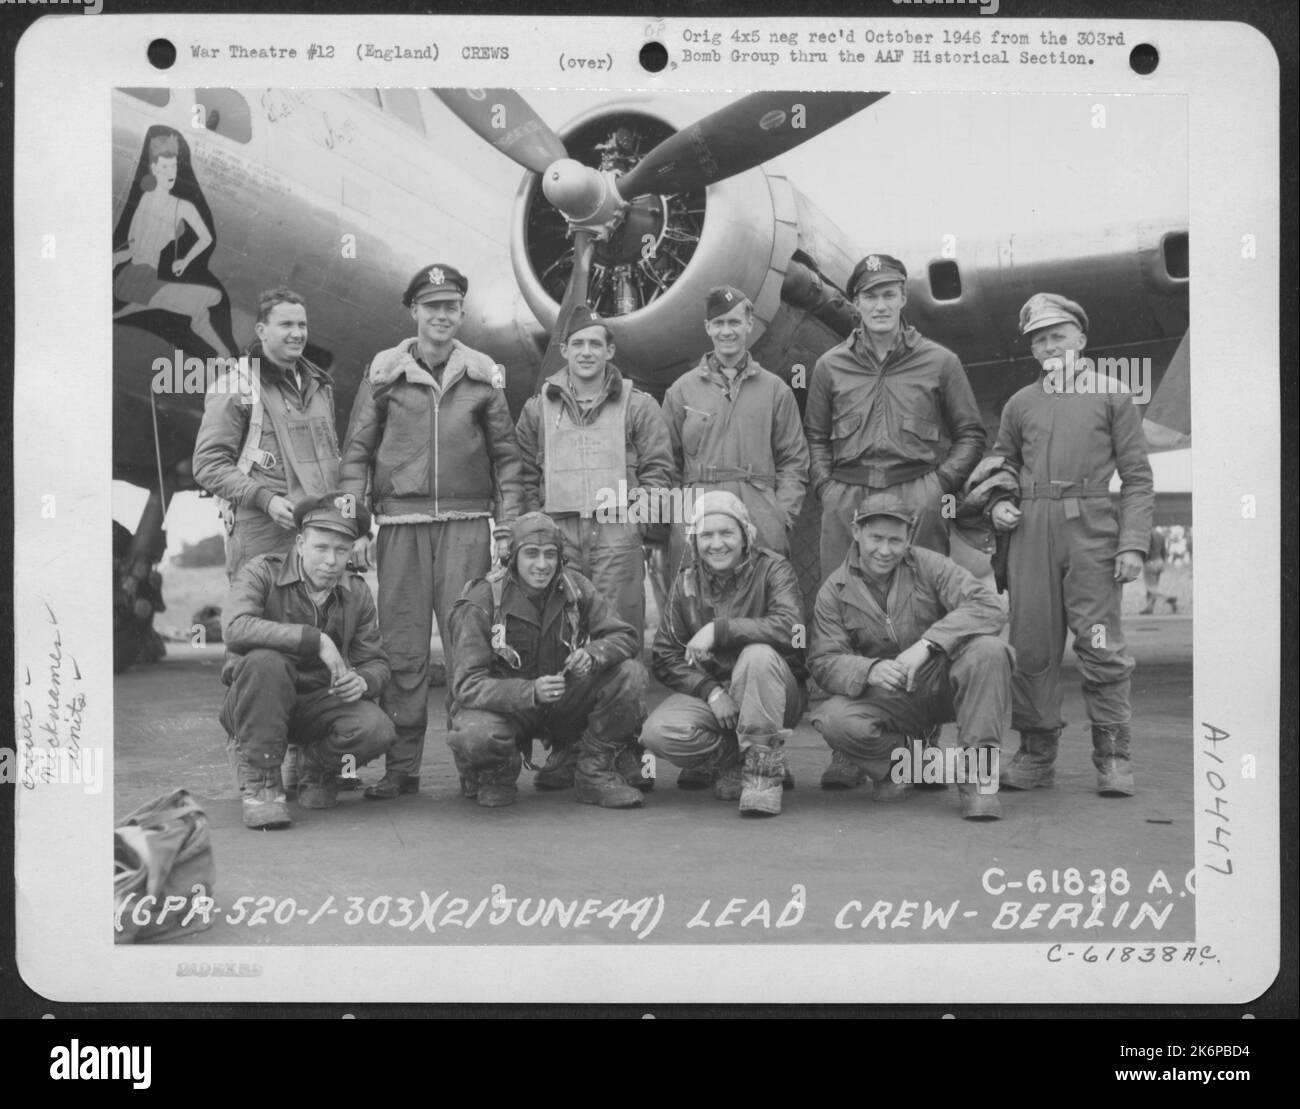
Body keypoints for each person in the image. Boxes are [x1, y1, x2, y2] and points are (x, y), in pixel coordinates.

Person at [339, 263, 525, 800]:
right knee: (402, 647)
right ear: (413, 312)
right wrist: (354, 523)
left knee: (470, 645)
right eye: (431, 306)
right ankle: (401, 769)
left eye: (451, 307)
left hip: (469, 525)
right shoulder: (383, 375)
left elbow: (508, 461)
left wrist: (508, 527)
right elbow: (357, 455)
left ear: (461, 313)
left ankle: (477, 764)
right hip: (400, 526)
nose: (442, 316)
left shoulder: (484, 376)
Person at [804, 252, 987, 789]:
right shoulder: (830, 365)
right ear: (854, 303)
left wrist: (937, 488)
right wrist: (828, 488)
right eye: (869, 296)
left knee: (921, 606)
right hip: (848, 493)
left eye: (889, 294)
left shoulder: (940, 361)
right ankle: (848, 747)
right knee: (843, 604)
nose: (880, 305)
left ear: (903, 299)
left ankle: (921, 737)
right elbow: (815, 436)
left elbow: (970, 433)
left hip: (915, 491)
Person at [988, 293, 1154, 797]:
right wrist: (998, 502)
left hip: (1091, 528)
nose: (1049, 345)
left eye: (1057, 335)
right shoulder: (1019, 404)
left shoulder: (1113, 395)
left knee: (1100, 645)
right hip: (1031, 530)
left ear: (1080, 339)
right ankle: (1037, 754)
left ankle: (1113, 758)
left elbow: (1138, 478)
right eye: (1039, 339)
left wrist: (1132, 544)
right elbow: (1002, 463)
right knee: (1032, 646)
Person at [514, 307, 673, 791]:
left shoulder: (638, 405)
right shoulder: (537, 407)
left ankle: (621, 748)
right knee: (561, 636)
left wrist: (637, 520)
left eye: (595, 345)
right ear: (564, 350)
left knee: (619, 638)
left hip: (614, 537)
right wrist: (527, 533)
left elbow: (659, 471)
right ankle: (569, 746)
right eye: (577, 344)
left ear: (610, 352)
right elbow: (524, 477)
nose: (586, 353)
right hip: (556, 539)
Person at [808, 493, 1012, 820]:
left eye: (895, 540)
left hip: (940, 680)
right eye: (876, 538)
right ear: (857, 531)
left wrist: (929, 644)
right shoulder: (835, 590)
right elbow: (823, 661)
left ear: (909, 538)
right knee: (833, 719)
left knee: (990, 651)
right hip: (890, 696)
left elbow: (989, 607)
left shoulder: (930, 565)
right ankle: (905, 764)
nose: (885, 550)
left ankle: (977, 779)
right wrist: (869, 669)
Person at [446, 513, 649, 809]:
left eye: (550, 555)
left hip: (560, 701)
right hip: (507, 709)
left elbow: (625, 636)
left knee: (630, 675)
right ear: (513, 557)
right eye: (531, 554)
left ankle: (592, 771)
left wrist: (592, 655)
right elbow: (467, 685)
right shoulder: (481, 600)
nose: (542, 565)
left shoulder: (574, 587)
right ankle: (496, 775)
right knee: (476, 733)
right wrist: (530, 692)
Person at [219, 493, 395, 830]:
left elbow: (376, 661)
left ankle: (315, 767)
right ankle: (262, 780)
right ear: (300, 544)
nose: (331, 560)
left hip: (316, 704)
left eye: (341, 550)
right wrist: (314, 639)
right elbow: (234, 627)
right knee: (267, 662)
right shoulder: (261, 572)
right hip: (257, 702)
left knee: (377, 729)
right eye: (321, 548)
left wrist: (364, 680)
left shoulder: (356, 593)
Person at [642, 491, 807, 816]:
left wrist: (720, 630)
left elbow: (794, 631)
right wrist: (712, 691)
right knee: (657, 733)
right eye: (706, 535)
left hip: (775, 693)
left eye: (727, 533)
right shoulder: (686, 581)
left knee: (757, 655)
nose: (716, 544)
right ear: (694, 541)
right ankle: (736, 760)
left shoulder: (774, 570)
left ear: (746, 536)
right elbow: (665, 654)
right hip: (719, 702)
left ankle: (762, 773)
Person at [193, 287, 344, 581]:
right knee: (260, 625)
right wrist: (266, 500)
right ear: (261, 330)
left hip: (319, 537)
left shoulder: (320, 388)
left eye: (302, 325)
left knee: (317, 627)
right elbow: (208, 465)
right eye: (286, 325)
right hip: (262, 538)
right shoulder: (235, 387)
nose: (297, 334)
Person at [660, 285, 809, 561]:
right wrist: (679, 516)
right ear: (707, 327)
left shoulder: (776, 390)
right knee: (698, 601)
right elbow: (664, 463)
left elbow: (794, 461)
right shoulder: (681, 391)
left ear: (749, 324)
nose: (726, 331)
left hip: (760, 520)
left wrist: (780, 517)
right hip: (698, 520)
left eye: (734, 322)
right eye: (718, 323)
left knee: (760, 599)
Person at [112, 129, 232, 358]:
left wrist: (185, 262)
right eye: (165, 167)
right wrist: (184, 262)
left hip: (131, 280)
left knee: (201, 307)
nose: (171, 172)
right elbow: (134, 244)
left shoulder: (168, 203)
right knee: (210, 299)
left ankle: (223, 355)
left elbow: (206, 238)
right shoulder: (174, 205)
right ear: (154, 168)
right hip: (139, 279)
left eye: (174, 166)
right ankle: (225, 357)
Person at [1141, 527, 1175, 613]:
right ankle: (1149, 608)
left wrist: (1143, 560)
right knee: (1154, 586)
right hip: (1159, 561)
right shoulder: (1160, 534)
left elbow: (1145, 549)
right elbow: (1164, 551)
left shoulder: (1147, 534)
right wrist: (1163, 562)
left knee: (1151, 587)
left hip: (1150, 562)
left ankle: (1168, 597)